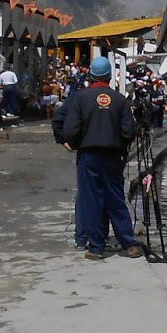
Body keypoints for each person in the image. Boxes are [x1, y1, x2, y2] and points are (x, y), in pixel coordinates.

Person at [54, 55, 143, 260]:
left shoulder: (81, 98)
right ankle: (128, 243)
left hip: (89, 156)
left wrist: (76, 144)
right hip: (113, 156)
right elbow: (129, 130)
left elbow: (70, 129)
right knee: (116, 199)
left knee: (91, 200)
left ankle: (95, 247)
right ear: (110, 77)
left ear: (91, 76)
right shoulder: (120, 100)